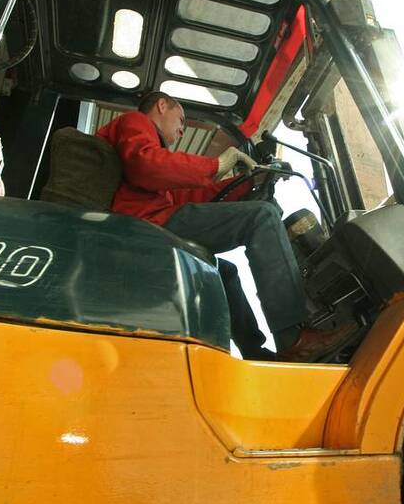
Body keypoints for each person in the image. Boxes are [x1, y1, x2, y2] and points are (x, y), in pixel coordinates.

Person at [96, 90, 351, 362]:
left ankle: (256, 352)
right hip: (144, 227)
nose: (182, 131)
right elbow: (145, 166)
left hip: (153, 224)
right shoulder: (136, 123)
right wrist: (218, 163)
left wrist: (243, 184)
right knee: (261, 216)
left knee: (222, 271)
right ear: (161, 105)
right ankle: (295, 337)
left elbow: (184, 198)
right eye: (181, 120)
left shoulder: (152, 167)